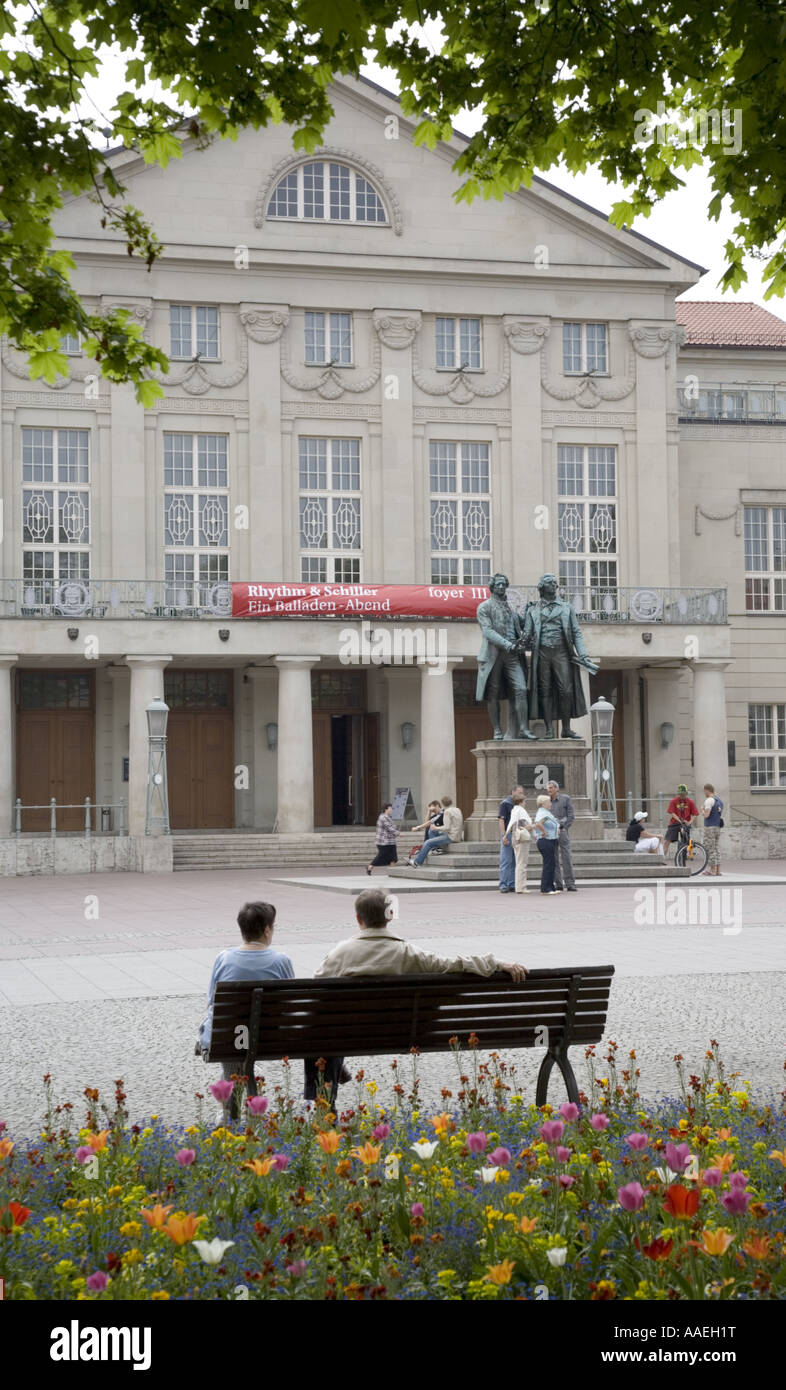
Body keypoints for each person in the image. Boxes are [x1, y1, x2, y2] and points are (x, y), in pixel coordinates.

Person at [198, 902, 295, 1120]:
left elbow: (212, 1000)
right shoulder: (281, 961)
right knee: (245, 1040)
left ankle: (229, 1113)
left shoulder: (223, 958)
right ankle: (255, 1111)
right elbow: (289, 1004)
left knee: (232, 1035)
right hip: (268, 1039)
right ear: (267, 930)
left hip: (227, 1038)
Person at [522, 573, 598, 740]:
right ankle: (550, 729)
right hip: (542, 652)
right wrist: (518, 640)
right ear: (542, 587)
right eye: (550, 582)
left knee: (566, 690)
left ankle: (566, 728)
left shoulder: (566, 607)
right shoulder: (533, 609)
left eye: (555, 582)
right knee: (545, 691)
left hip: (561, 652)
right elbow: (527, 634)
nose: (554, 585)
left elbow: (576, 631)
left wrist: (582, 653)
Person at [475, 573, 535, 740]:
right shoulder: (484, 607)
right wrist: (507, 644)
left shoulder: (511, 609)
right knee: (493, 693)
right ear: (492, 587)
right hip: (494, 655)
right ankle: (497, 730)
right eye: (498, 584)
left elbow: (520, 629)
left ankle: (523, 729)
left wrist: (529, 614)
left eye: (503, 584)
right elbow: (487, 631)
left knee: (521, 689)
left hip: (512, 655)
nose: (501, 587)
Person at [412, 795, 463, 866]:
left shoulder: (447, 812)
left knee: (428, 842)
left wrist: (436, 828)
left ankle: (417, 862)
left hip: (451, 837)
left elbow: (447, 827)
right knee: (431, 831)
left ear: (442, 803)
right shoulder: (457, 809)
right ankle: (436, 849)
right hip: (458, 836)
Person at [548, 779, 577, 891]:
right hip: (551, 833)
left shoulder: (565, 799)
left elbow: (571, 815)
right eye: (548, 788)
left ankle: (570, 883)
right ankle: (558, 884)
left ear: (556, 788)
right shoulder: (547, 801)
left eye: (551, 788)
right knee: (554, 858)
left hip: (563, 832)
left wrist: (563, 828)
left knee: (566, 858)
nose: (549, 790)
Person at [531, 793, 560, 893]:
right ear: (543, 804)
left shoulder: (545, 812)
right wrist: (543, 831)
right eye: (548, 802)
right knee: (548, 864)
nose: (550, 803)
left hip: (550, 840)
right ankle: (545, 888)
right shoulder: (543, 812)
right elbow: (538, 823)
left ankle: (550, 887)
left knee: (551, 864)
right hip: (546, 840)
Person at [497, 783, 523, 893]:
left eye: (522, 793)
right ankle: (503, 884)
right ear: (513, 792)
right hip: (508, 834)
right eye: (519, 792)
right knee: (506, 860)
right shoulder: (505, 804)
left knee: (514, 860)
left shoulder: (518, 804)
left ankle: (512, 884)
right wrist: (504, 835)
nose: (522, 795)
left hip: (516, 834)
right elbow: (501, 820)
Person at [663, 784, 700, 860]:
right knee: (667, 841)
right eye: (680, 794)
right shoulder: (674, 801)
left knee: (684, 841)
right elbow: (672, 812)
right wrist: (679, 820)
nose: (681, 796)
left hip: (685, 824)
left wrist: (690, 822)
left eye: (683, 794)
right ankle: (662, 858)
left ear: (686, 793)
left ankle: (683, 857)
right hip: (674, 823)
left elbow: (696, 813)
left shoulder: (690, 802)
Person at [506, 790, 533, 893]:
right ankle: (521, 887)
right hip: (522, 839)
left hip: (515, 839)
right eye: (524, 801)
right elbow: (526, 826)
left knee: (519, 863)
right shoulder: (521, 811)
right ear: (521, 801)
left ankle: (519, 886)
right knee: (522, 864)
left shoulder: (514, 810)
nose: (525, 803)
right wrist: (535, 826)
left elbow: (512, 825)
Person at [406, 801, 443, 865]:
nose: (432, 810)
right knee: (429, 828)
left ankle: (436, 849)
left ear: (437, 806)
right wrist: (429, 811)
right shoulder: (435, 815)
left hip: (445, 834)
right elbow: (427, 822)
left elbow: (429, 823)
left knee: (431, 828)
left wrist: (417, 828)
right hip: (439, 834)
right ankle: (431, 848)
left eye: (432, 808)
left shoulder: (442, 813)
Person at [367, 802, 399, 875]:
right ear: (386, 809)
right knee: (381, 855)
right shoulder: (383, 817)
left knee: (393, 858)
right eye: (390, 808)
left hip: (391, 841)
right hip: (383, 842)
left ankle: (393, 873)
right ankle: (370, 866)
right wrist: (398, 833)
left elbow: (392, 827)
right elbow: (389, 827)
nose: (391, 810)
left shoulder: (389, 817)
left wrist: (396, 831)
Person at [701, 782, 724, 876]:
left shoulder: (709, 800)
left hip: (710, 827)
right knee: (716, 848)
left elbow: (707, 815)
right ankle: (718, 870)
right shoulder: (719, 801)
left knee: (710, 848)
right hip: (717, 826)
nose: (704, 793)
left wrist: (702, 810)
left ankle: (712, 870)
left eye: (704, 791)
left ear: (707, 790)